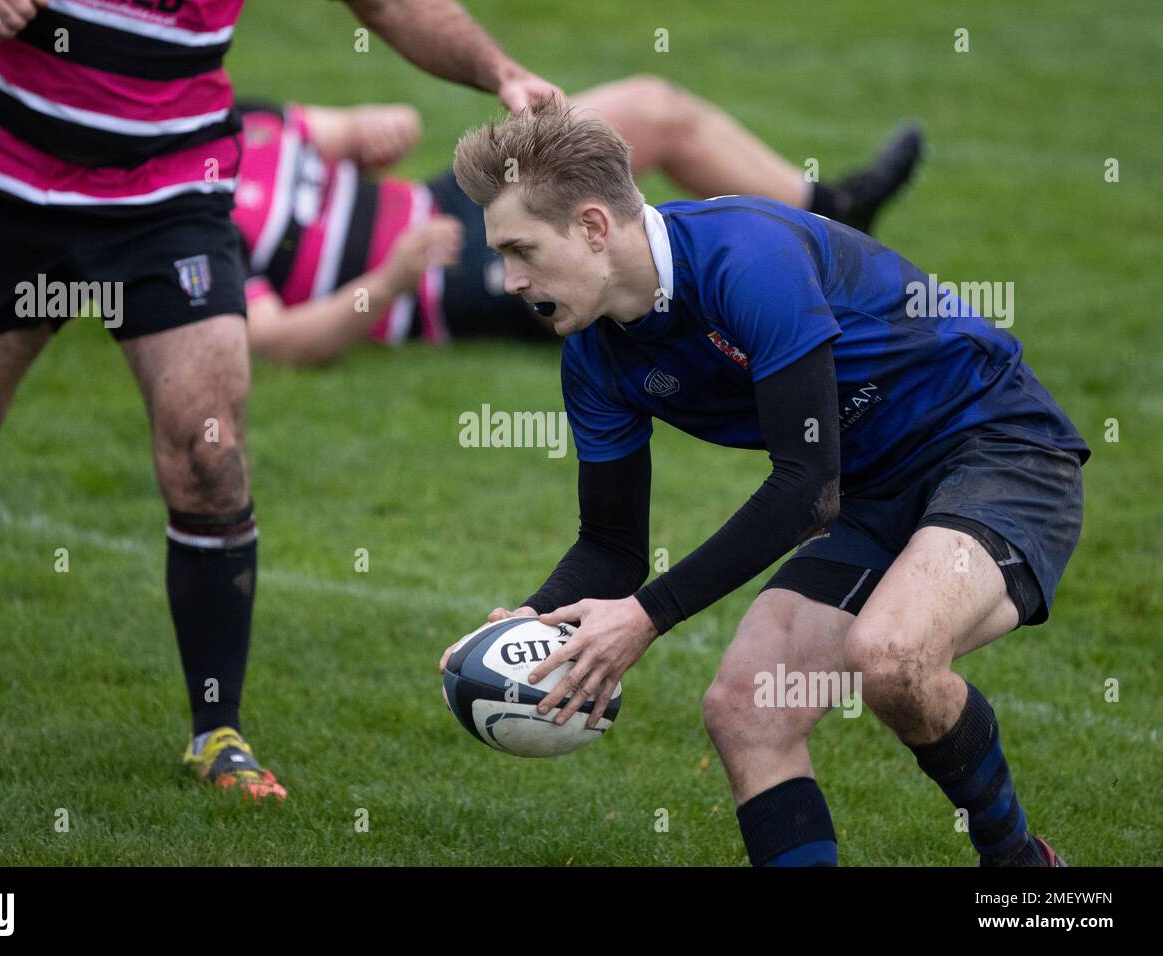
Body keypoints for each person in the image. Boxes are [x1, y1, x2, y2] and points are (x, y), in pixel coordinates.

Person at [0, 0, 559, 803]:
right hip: (19, 188)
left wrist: (499, 70)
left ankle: (216, 732)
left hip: (172, 197)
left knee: (210, 449)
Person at [440, 103, 1088, 866]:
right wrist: (530, 620)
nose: (509, 279)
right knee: (747, 709)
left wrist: (646, 617)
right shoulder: (593, 356)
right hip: (873, 487)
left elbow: (806, 487)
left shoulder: (746, 257)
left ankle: (1019, 864)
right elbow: (611, 545)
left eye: (522, 250)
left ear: (591, 227)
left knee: (893, 655)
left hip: (996, 446)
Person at [233, 78, 922, 367]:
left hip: (446, 199)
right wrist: (388, 282)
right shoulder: (199, 222)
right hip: (442, 281)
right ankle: (812, 308)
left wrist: (380, 126)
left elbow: (346, 131)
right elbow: (279, 346)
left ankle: (832, 213)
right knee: (625, 249)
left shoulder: (247, 120)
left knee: (650, 107)